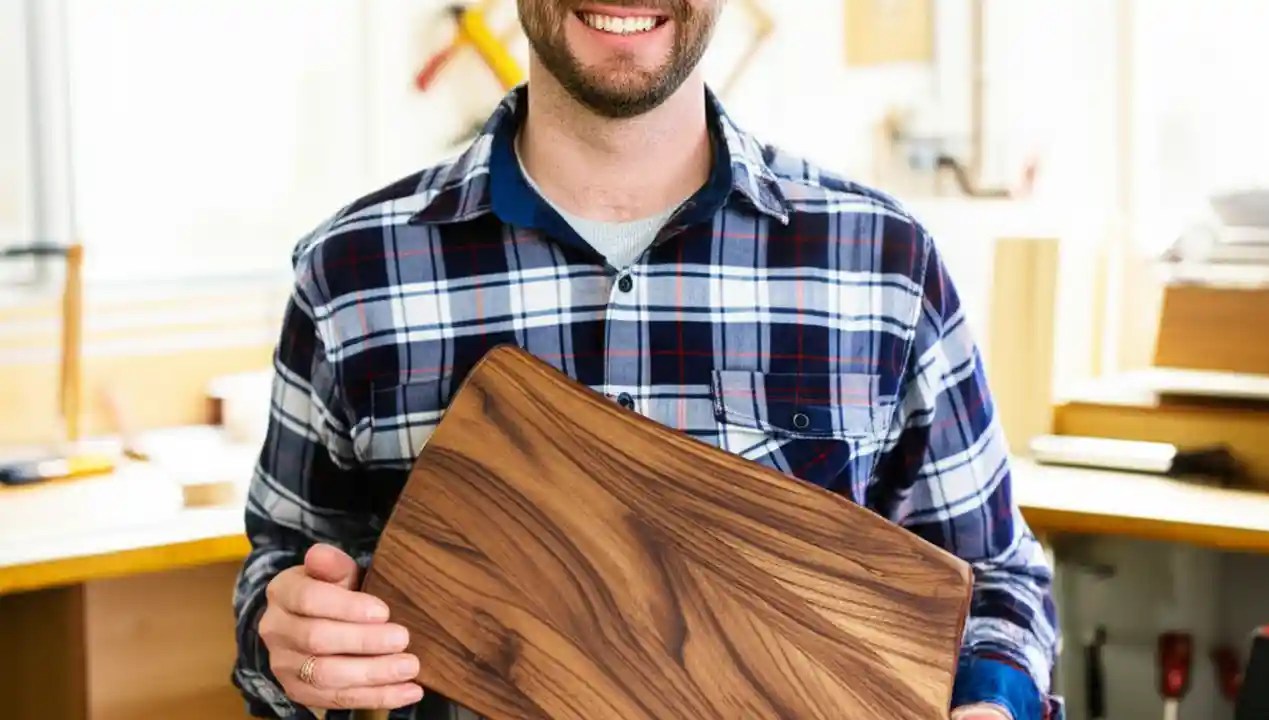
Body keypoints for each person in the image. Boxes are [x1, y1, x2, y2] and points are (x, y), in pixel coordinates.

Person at [230, 1, 1063, 718]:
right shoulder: (350, 275)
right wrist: (293, 646)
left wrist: (991, 701)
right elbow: (279, 571)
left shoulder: (883, 262)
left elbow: (998, 584)